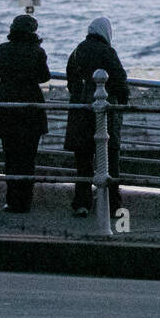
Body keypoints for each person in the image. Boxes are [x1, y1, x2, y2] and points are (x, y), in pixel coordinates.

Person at [63, 17, 129, 218]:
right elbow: (119, 79)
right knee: (109, 161)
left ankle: (81, 204)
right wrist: (122, 100)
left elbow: (71, 80)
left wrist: (80, 95)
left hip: (80, 112)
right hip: (103, 115)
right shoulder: (107, 52)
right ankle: (113, 205)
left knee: (83, 162)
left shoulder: (77, 51)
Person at [0, 14, 51, 213]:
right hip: (30, 109)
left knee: (10, 156)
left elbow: (0, 71)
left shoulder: (3, 49)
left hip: (7, 107)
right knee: (28, 157)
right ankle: (25, 200)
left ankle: (11, 199)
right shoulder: (37, 51)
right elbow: (44, 76)